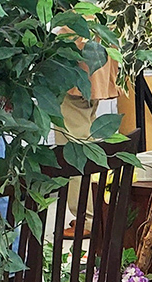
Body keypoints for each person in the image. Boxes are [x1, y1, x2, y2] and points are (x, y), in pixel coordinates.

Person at [54, 44, 120, 238]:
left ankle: (87, 219)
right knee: (88, 143)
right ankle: (93, 214)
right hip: (93, 68)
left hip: (75, 72)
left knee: (74, 150)